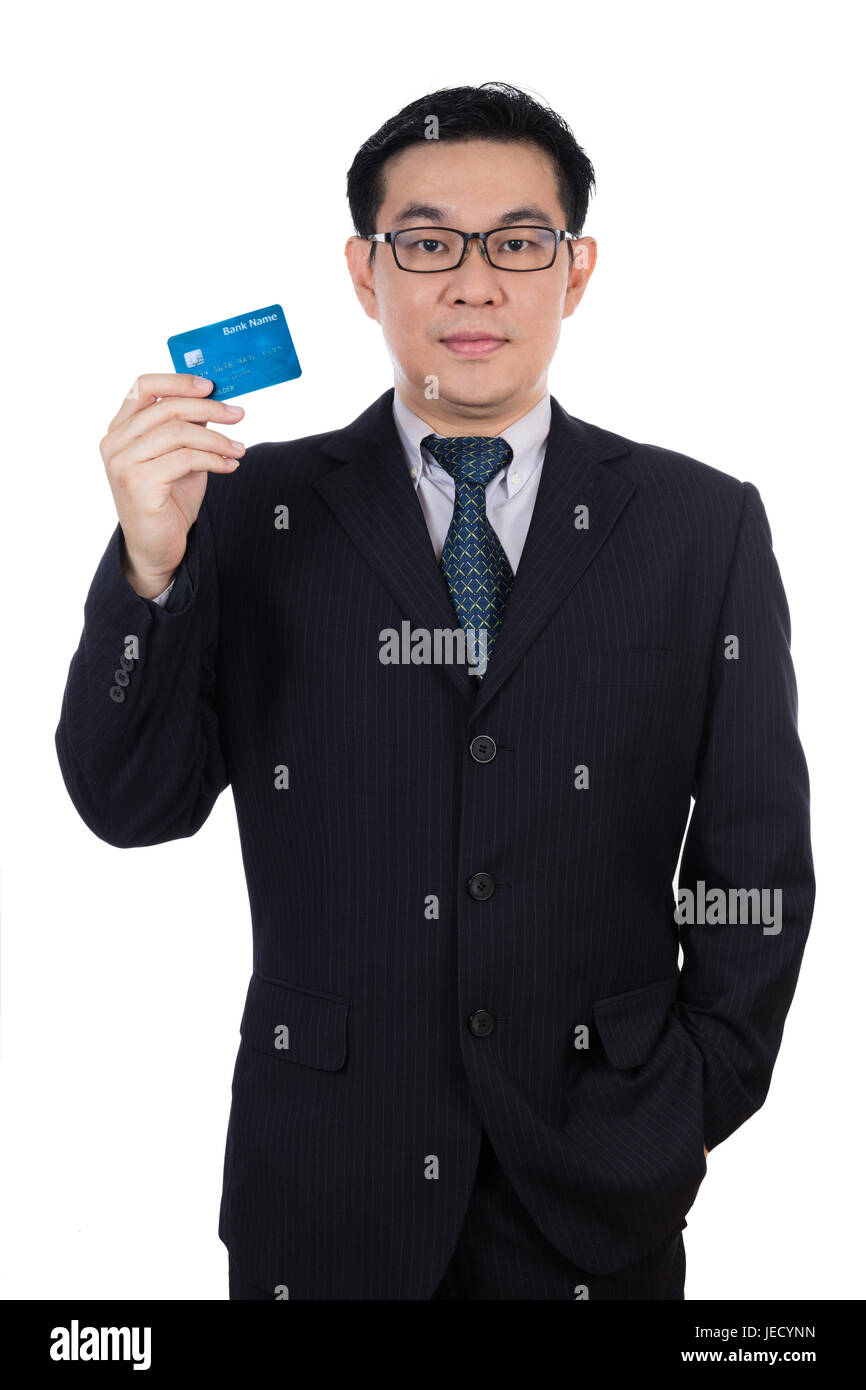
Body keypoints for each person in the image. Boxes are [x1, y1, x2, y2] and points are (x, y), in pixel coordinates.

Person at [55, 81, 815, 1300]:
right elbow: (128, 802)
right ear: (366, 273)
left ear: (574, 272)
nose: (474, 283)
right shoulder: (248, 509)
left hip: (593, 1202)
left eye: (518, 242)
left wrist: (686, 1098)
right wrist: (150, 567)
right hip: (321, 1194)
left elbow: (753, 866)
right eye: (426, 242)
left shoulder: (697, 527)